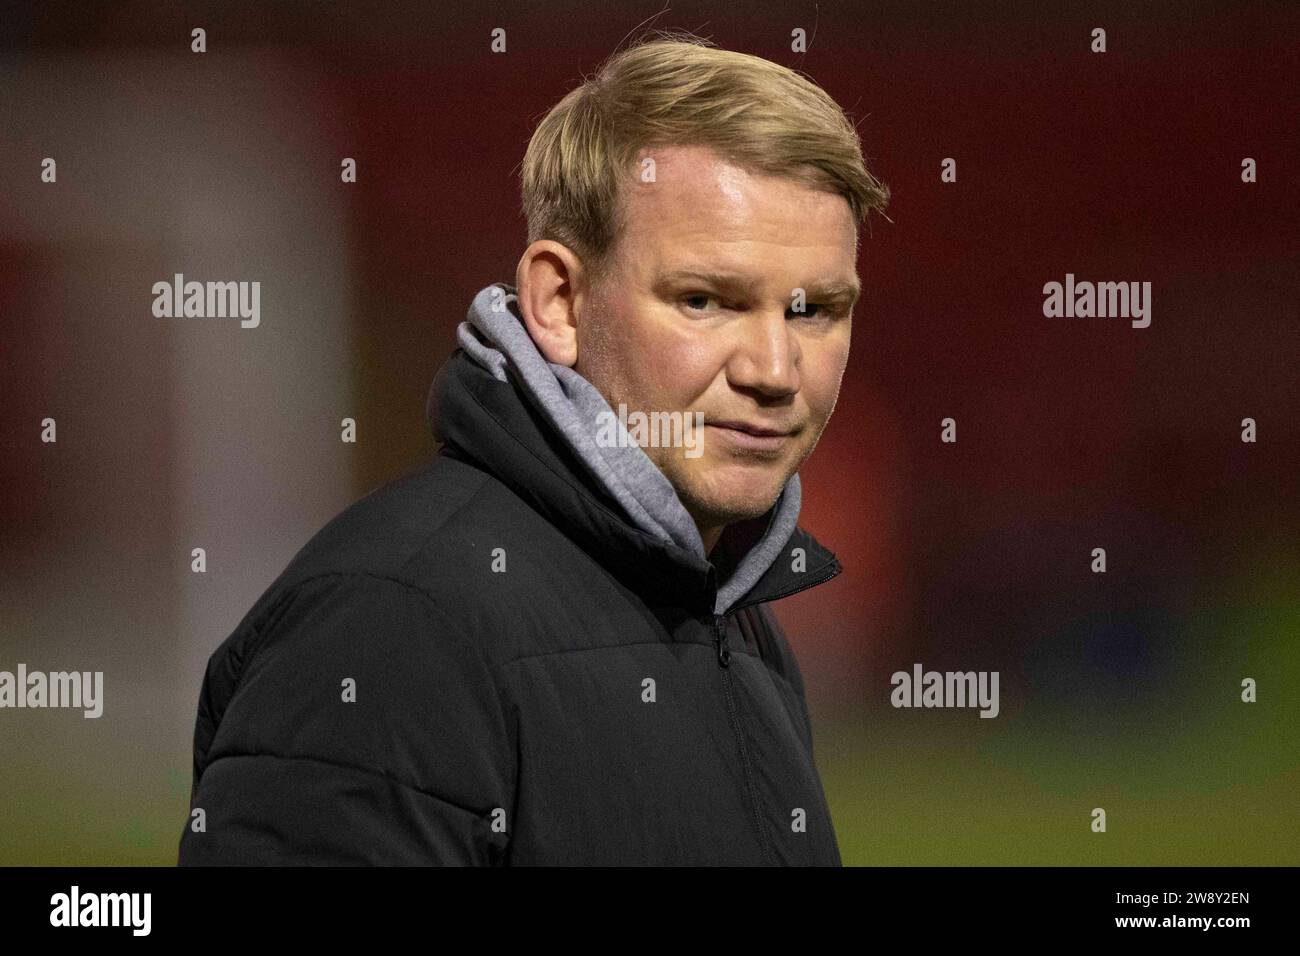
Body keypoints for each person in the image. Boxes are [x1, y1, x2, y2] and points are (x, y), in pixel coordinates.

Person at [178, 31, 890, 866]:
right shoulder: (393, 622)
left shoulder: (738, 619)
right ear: (557, 302)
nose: (775, 370)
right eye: (705, 300)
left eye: (812, 312)